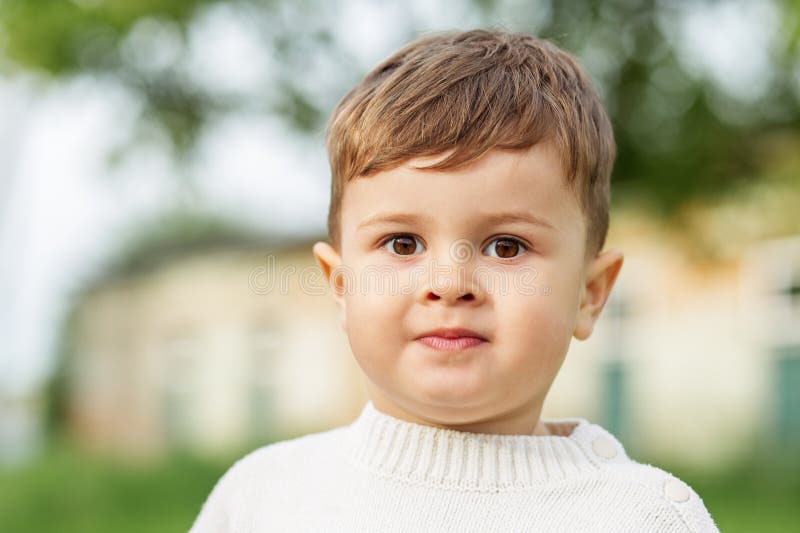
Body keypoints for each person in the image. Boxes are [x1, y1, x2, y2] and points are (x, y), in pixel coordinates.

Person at [189, 29, 720, 532]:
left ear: (590, 294)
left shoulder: (642, 518)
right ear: (342, 287)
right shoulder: (261, 500)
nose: (449, 284)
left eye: (506, 246)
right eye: (403, 244)